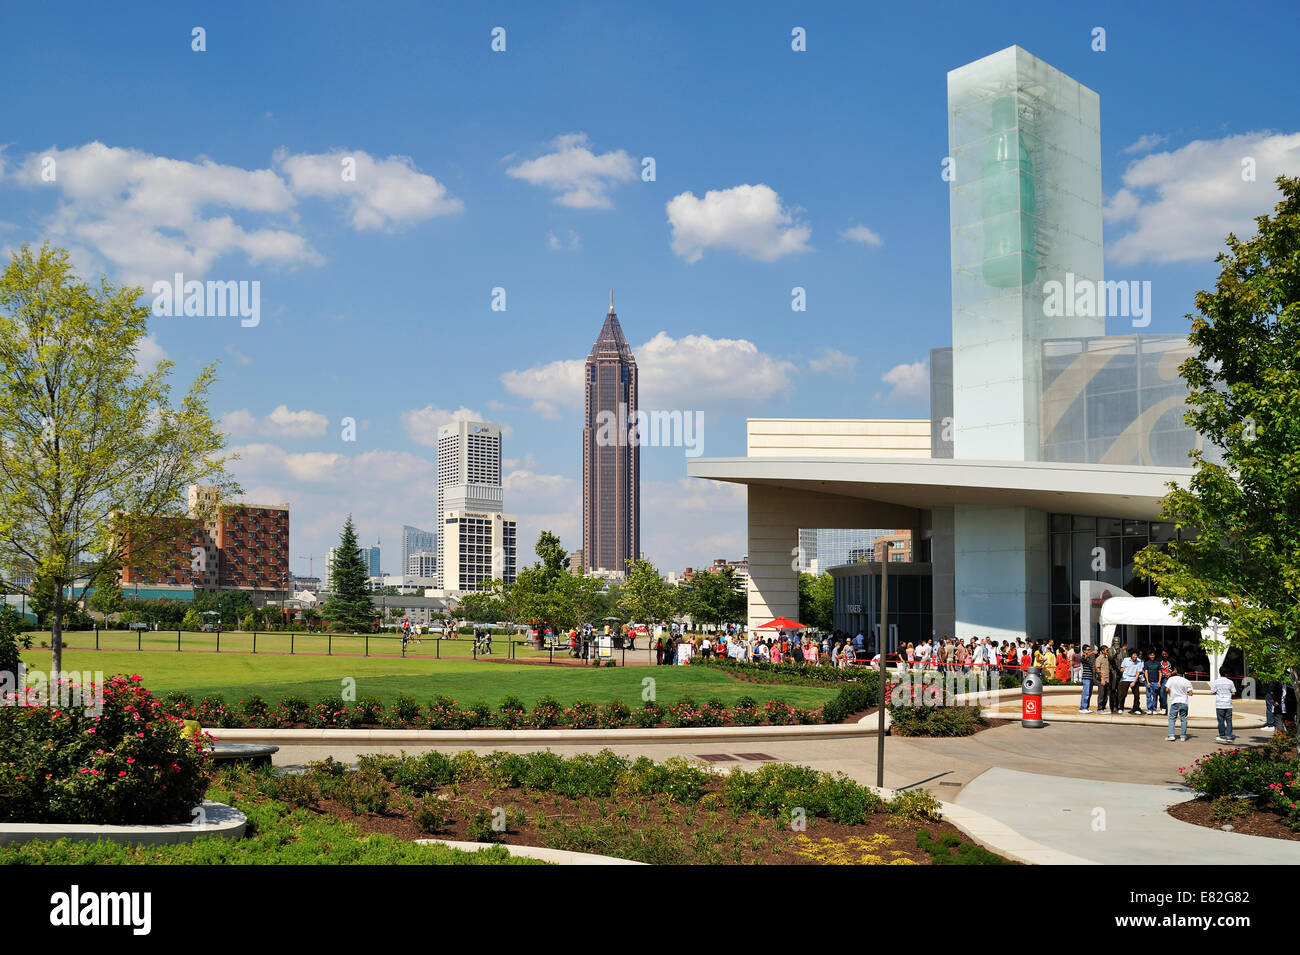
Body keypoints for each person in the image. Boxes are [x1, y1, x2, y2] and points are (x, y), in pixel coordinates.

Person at [1165, 666, 1193, 741]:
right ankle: (1183, 736)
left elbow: (1167, 689)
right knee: (1183, 719)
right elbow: (1190, 693)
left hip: (1175, 701)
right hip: (1184, 702)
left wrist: (1172, 692)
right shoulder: (1187, 681)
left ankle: (1171, 735)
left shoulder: (1171, 679)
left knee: (1172, 719)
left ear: (1176, 671)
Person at [1209, 671, 1236, 742]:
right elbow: (1233, 693)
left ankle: (1222, 735)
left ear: (1220, 673)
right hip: (1228, 704)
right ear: (1227, 674)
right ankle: (1229, 735)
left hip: (1220, 704)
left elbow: (1212, 692)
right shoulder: (1230, 682)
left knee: (1221, 720)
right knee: (1229, 720)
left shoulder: (1216, 682)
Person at [1078, 647, 1096, 713]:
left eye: (1089, 650)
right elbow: (1085, 658)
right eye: (1087, 650)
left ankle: (1086, 707)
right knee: (1086, 693)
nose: (1089, 651)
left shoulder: (1089, 658)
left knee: (1089, 693)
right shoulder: (1083, 657)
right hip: (1086, 677)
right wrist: (1092, 652)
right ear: (1084, 650)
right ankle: (1083, 707)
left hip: (1090, 677)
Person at [1095, 647, 1112, 713]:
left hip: (1107, 679)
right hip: (1102, 679)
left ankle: (1103, 708)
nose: (1108, 651)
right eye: (1107, 650)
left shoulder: (1107, 658)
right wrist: (1102, 679)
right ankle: (1099, 708)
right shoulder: (1099, 658)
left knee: (1106, 695)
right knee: (1101, 694)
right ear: (1102, 651)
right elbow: (1098, 669)